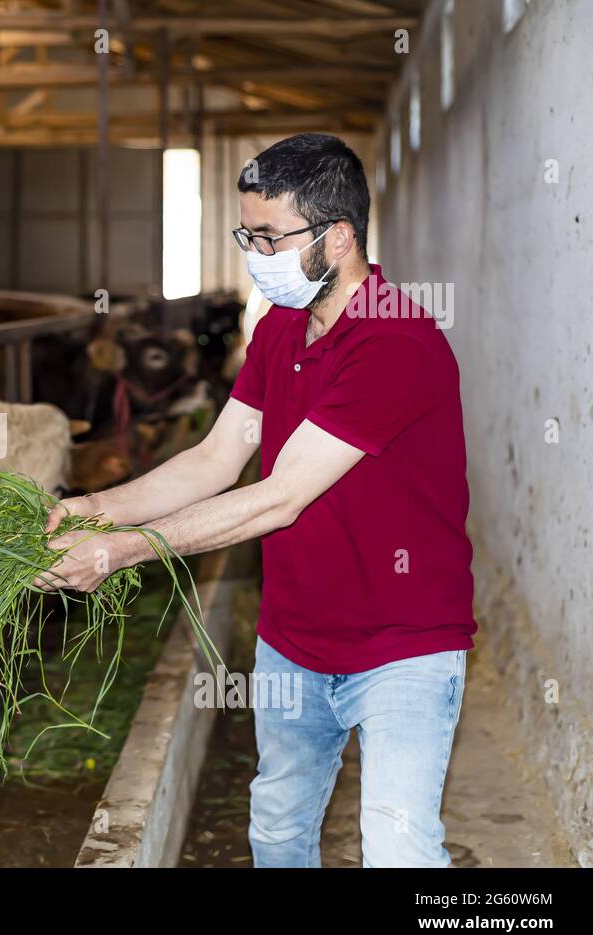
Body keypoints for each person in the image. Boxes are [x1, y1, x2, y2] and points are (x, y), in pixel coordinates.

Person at [37, 133, 475, 868]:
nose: (254, 252)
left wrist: (122, 551)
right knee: (276, 832)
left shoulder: (396, 340)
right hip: (294, 639)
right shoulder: (278, 329)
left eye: (270, 236)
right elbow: (215, 457)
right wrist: (97, 507)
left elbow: (277, 497)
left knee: (399, 845)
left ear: (338, 237)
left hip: (404, 645)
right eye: (249, 234)